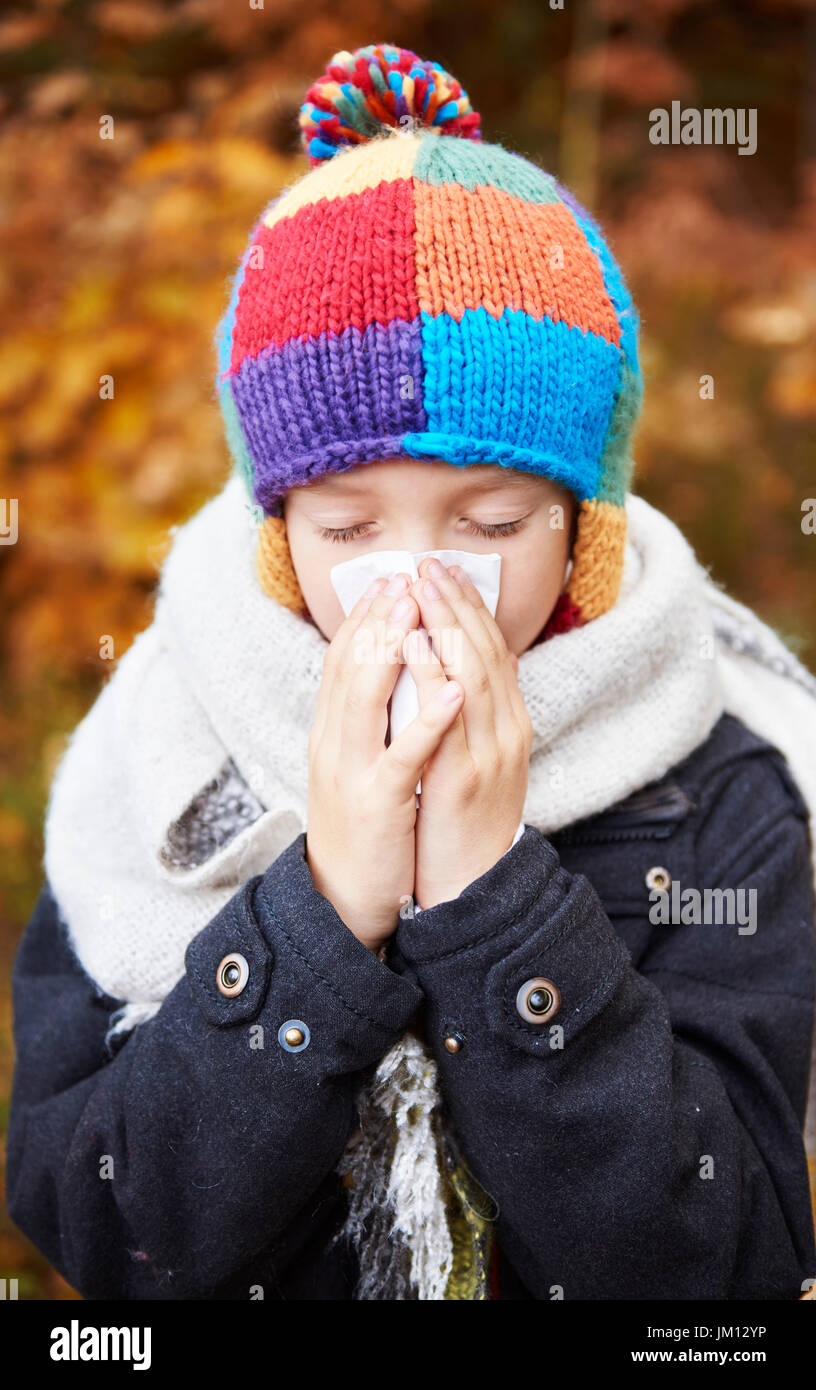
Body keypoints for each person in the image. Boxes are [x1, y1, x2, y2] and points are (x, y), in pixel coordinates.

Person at [7, 42, 816, 1302]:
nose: (420, 579)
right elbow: (105, 1231)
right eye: (346, 528)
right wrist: (324, 909)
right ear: (278, 537)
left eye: (493, 524)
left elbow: (729, 1265)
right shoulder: (162, 757)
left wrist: (498, 902)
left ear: (586, 530)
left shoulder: (721, 787)